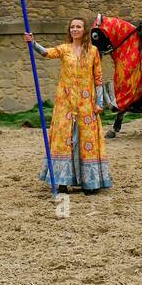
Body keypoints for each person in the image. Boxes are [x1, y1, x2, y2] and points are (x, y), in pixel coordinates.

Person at [25, 17, 110, 194]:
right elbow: (46, 53)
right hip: (65, 103)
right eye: (72, 27)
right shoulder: (64, 49)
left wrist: (99, 102)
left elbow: (98, 78)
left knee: (87, 140)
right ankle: (62, 181)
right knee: (63, 140)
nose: (75, 29)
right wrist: (33, 43)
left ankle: (90, 182)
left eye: (78, 27)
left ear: (85, 30)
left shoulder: (93, 51)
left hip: (87, 103)